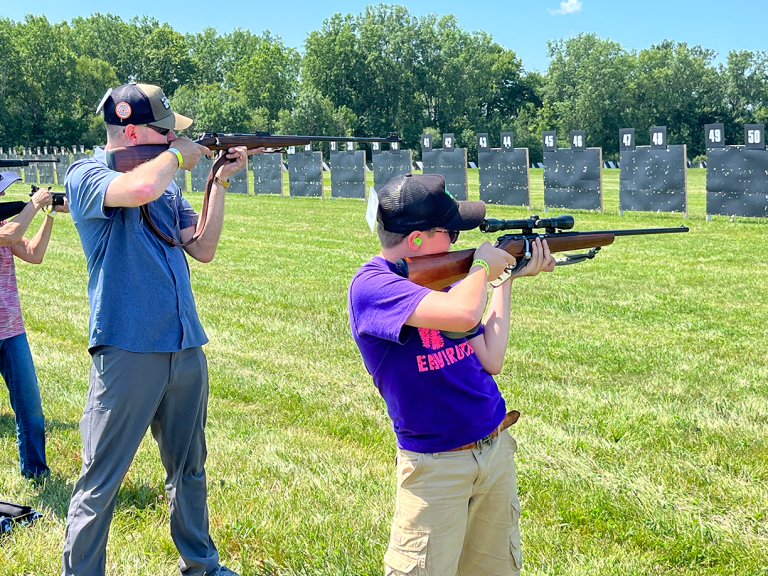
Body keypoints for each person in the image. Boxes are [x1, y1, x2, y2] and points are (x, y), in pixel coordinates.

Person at [62, 83, 255, 576]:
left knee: (189, 467)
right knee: (100, 479)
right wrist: (177, 155)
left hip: (184, 342)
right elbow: (139, 190)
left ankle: (202, 565)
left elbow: (203, 247)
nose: (174, 136)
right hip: (127, 346)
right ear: (131, 131)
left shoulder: (166, 181)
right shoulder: (86, 174)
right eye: (166, 129)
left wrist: (218, 181)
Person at [348, 173, 556, 575]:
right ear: (417, 240)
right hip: (435, 467)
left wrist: (503, 278)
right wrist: (480, 266)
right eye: (449, 232)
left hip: (493, 450)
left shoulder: (453, 281)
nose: (458, 242)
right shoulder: (372, 286)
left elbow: (491, 357)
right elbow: (462, 313)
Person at [0, 178, 67, 479]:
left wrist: (48, 214)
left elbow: (34, 254)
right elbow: (10, 234)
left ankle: (36, 473)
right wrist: (34, 204)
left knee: (31, 409)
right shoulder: (6, 227)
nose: (3, 193)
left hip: (12, 330)